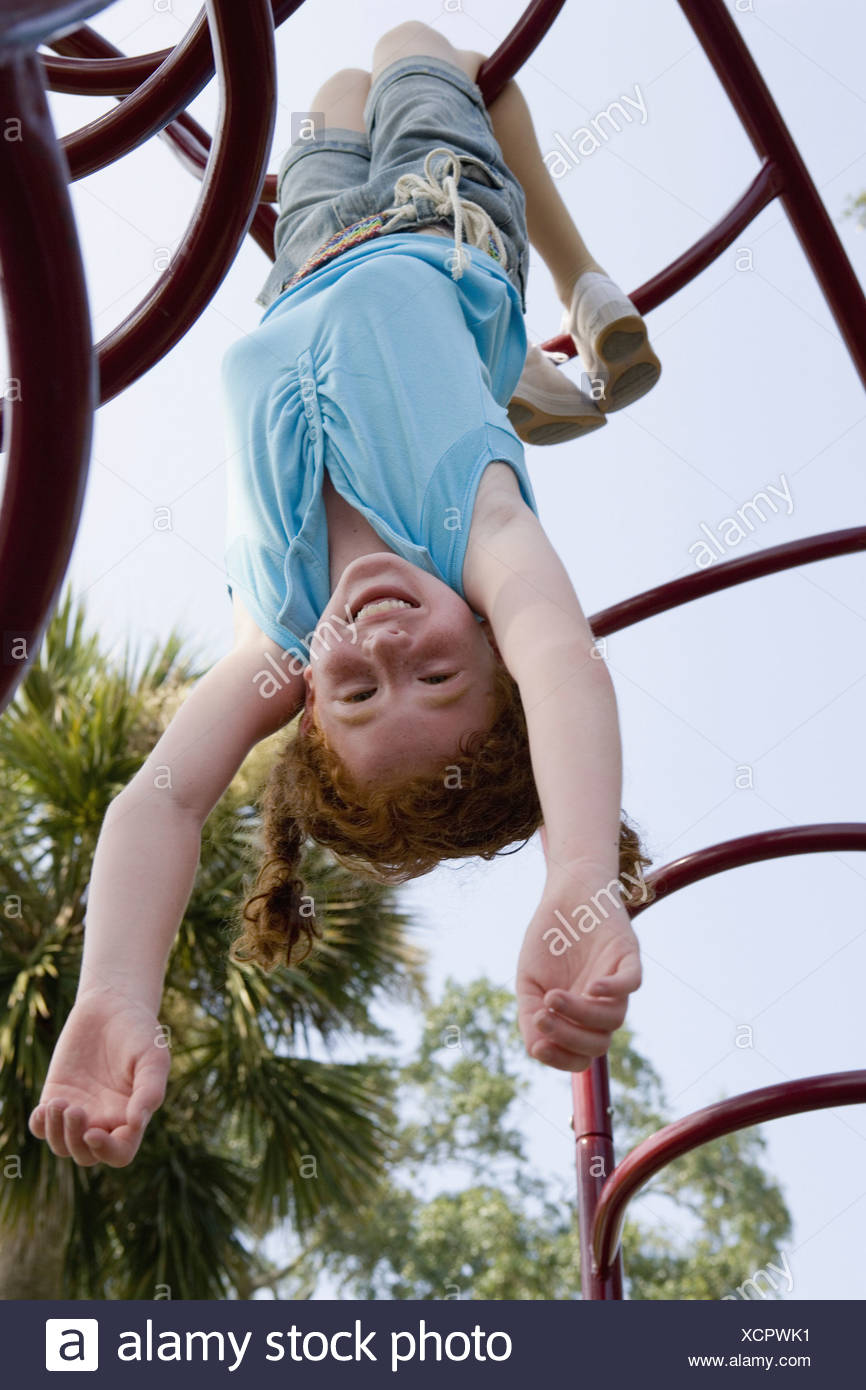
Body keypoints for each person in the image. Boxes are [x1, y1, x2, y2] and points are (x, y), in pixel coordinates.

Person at [28, 21, 658, 1170]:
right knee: (414, 43)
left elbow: (163, 803)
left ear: (306, 701)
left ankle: (512, 352)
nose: (378, 641)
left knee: (326, 89)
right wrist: (576, 877)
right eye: (434, 670)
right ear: (485, 638)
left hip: (304, 256)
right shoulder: (479, 531)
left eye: (358, 691)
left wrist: (115, 988)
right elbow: (566, 657)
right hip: (441, 219)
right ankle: (550, 297)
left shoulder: (273, 633)